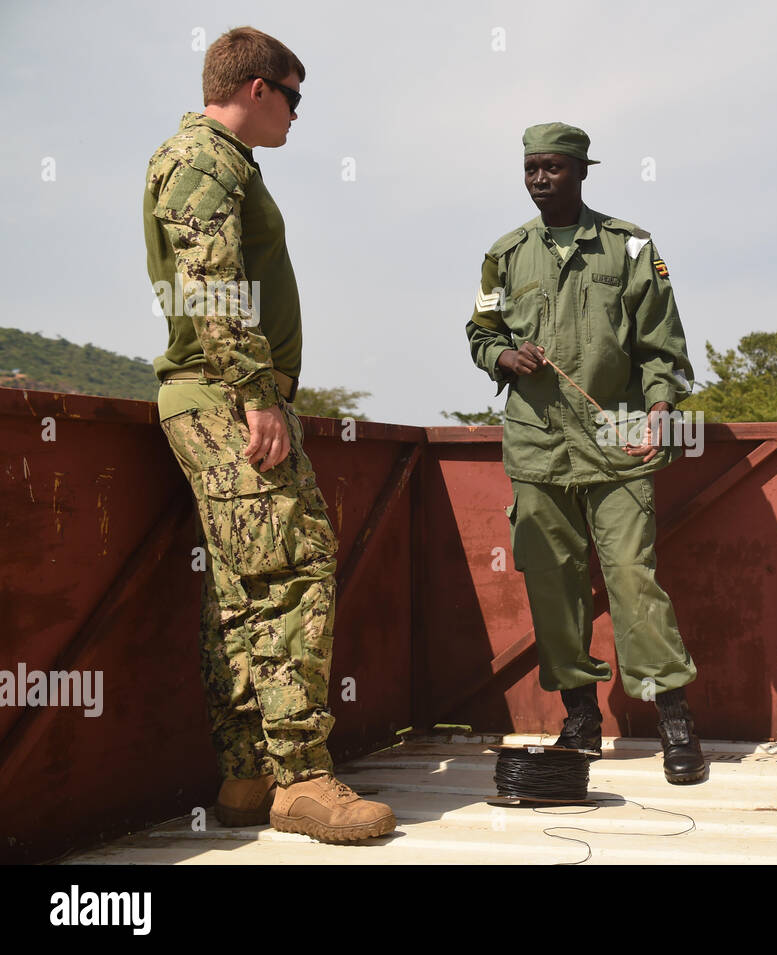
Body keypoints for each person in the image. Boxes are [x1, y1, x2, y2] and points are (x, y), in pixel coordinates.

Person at [144, 26, 395, 842]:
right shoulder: (206, 158)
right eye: (293, 97)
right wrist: (257, 396)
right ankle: (303, 780)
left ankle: (249, 778)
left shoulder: (213, 160)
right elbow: (211, 283)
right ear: (257, 89)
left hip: (216, 394)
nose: (296, 115)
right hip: (224, 397)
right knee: (295, 569)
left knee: (242, 587)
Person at [466, 122, 706, 783]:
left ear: (582, 171)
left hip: (618, 440)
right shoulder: (504, 254)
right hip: (538, 442)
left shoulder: (633, 247)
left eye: (554, 168)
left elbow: (665, 343)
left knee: (632, 575)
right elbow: (480, 331)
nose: (540, 178)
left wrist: (661, 406)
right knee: (552, 581)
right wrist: (503, 355)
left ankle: (674, 719)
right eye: (531, 168)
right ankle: (579, 716)